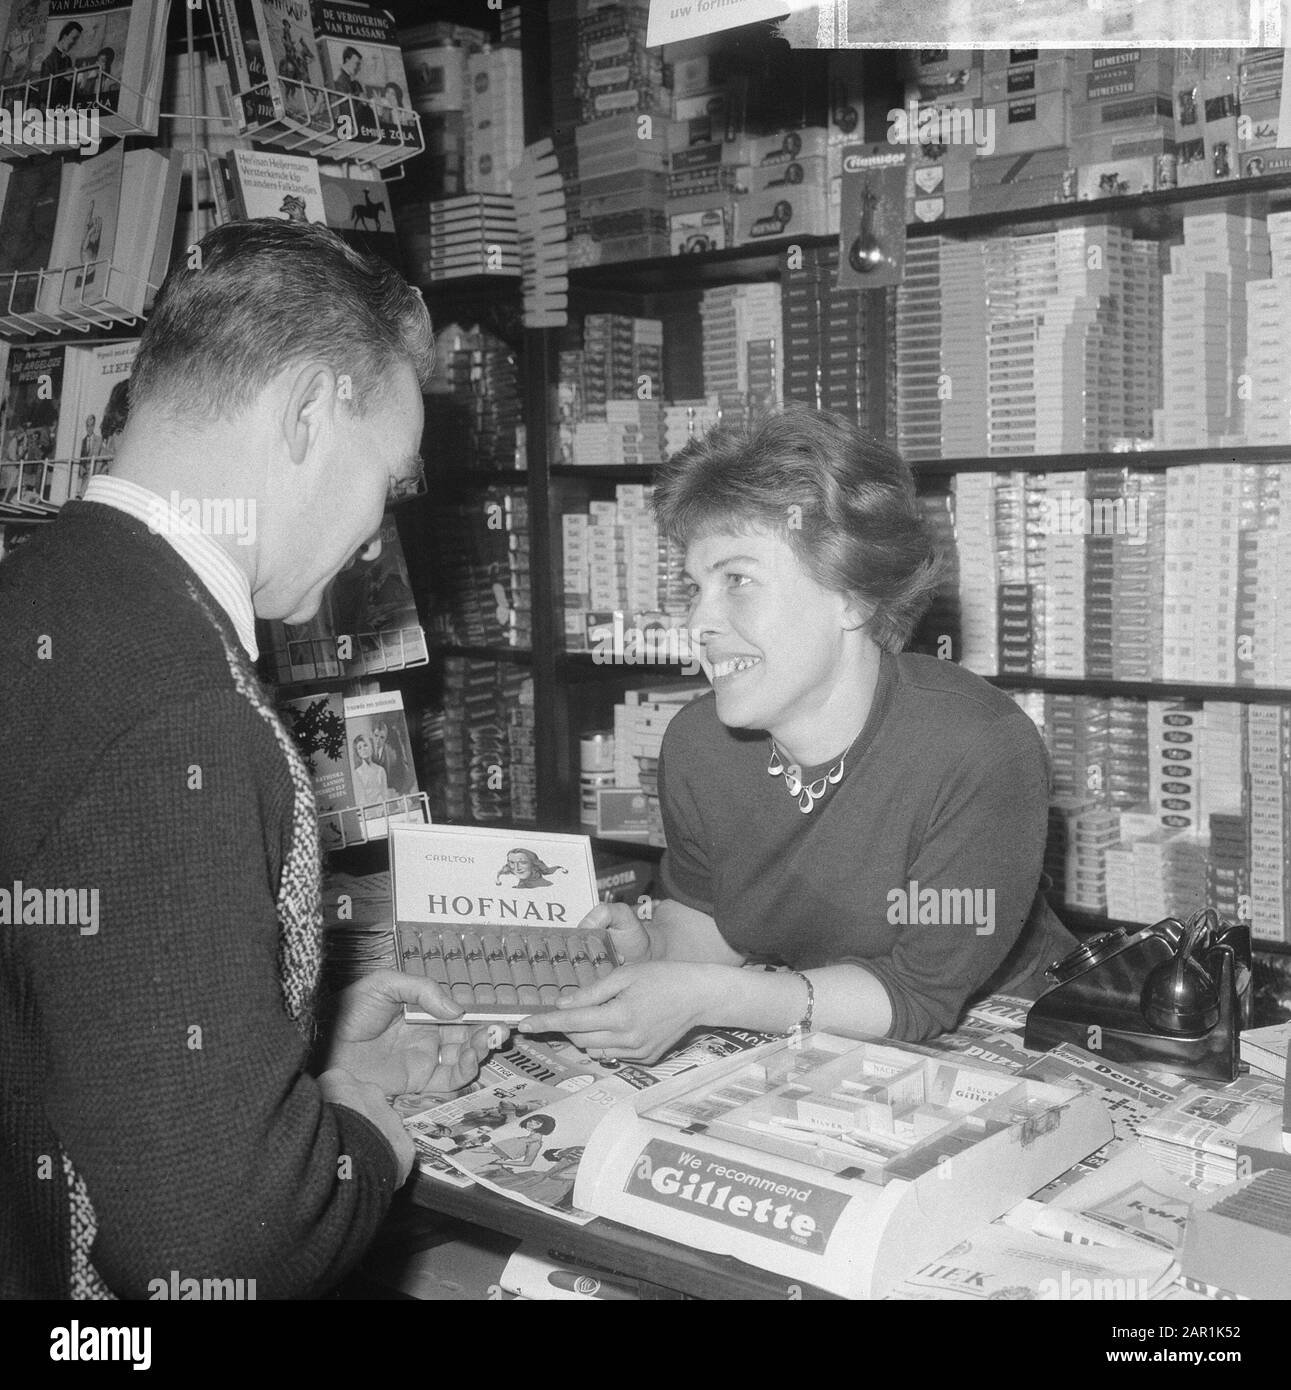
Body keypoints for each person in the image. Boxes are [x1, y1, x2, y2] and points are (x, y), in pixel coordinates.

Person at [0, 218, 496, 1300]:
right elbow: (216, 1249)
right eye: (389, 482)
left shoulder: (39, 592)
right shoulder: (189, 713)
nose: (375, 539)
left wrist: (298, 1053)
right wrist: (363, 1131)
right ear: (309, 412)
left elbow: (76, 1018)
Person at [521, 407, 1077, 1064]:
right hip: (816, 1019)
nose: (699, 621)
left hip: (1012, 1026)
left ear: (850, 595)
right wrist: (655, 951)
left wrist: (709, 997)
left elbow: (916, 995)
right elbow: (707, 915)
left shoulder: (979, 747)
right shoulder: (697, 745)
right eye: (693, 587)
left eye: (737, 580)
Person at [351, 731, 391, 807]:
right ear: (358, 753)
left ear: (371, 747)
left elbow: (385, 794)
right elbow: (360, 798)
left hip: (382, 809)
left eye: (365, 745)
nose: (363, 749)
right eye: (359, 748)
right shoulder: (357, 773)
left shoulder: (381, 770)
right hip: (367, 811)